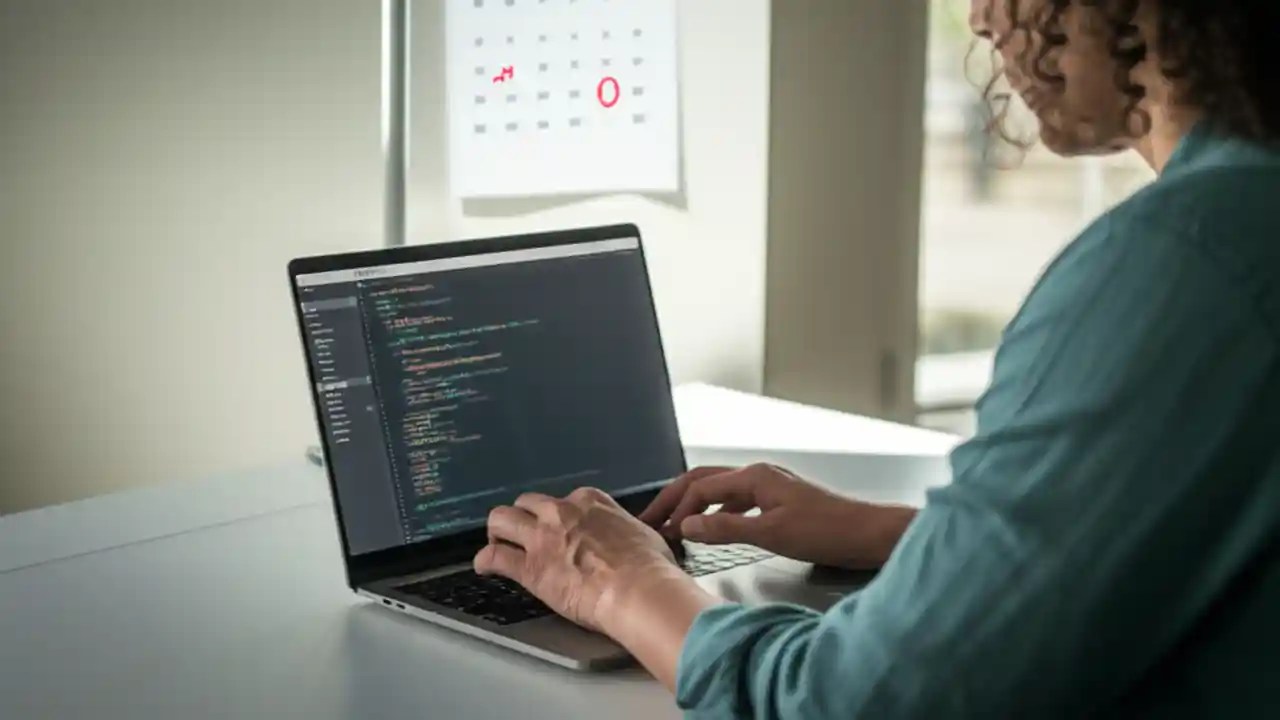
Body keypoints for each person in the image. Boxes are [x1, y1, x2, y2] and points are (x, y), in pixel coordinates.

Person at [475, 1, 1280, 716]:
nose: (981, 18)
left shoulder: (1180, 264)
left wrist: (621, 581)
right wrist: (904, 537)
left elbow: (848, 701)